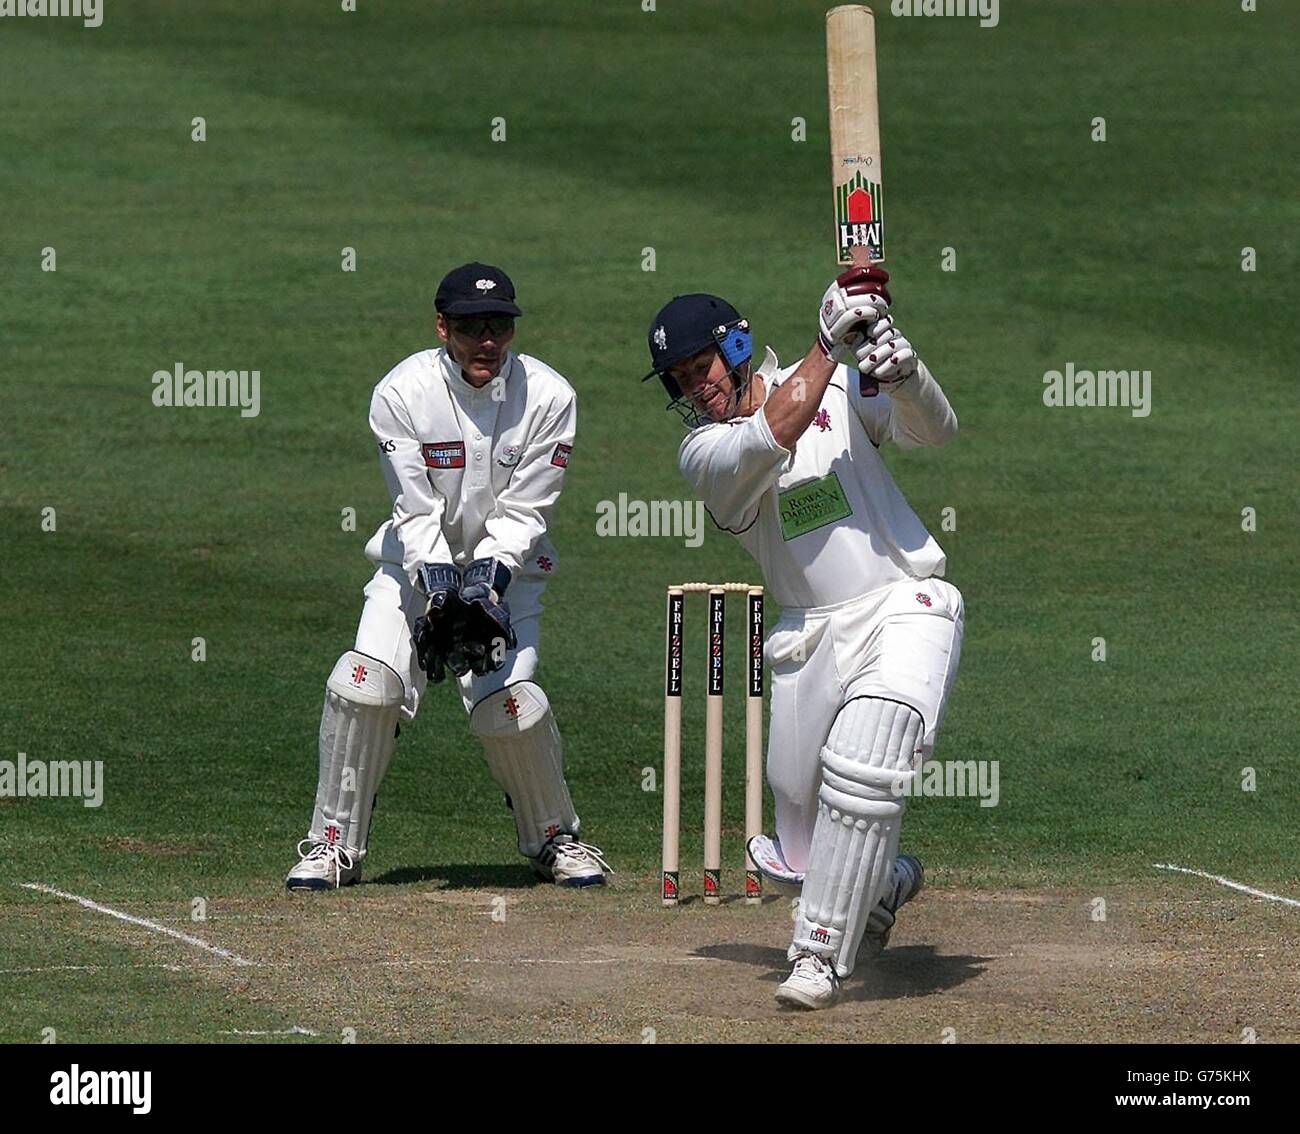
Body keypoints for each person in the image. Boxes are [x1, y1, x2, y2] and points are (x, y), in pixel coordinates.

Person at [642, 267, 962, 1008]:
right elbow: (776, 427)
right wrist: (828, 344)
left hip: (901, 606)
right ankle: (883, 884)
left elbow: (937, 432)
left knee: (865, 764)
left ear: (738, 344)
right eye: (679, 379)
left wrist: (905, 373)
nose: (695, 387)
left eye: (702, 367)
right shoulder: (708, 456)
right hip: (807, 637)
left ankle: (817, 952)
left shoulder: (843, 391)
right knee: (800, 835)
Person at [286, 262, 609, 891]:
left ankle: (553, 838)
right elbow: (415, 508)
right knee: (364, 687)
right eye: (469, 326)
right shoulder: (401, 393)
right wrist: (440, 587)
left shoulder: (550, 396)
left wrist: (486, 581)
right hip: (413, 569)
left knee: (509, 707)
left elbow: (526, 511)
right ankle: (332, 845)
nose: (486, 340)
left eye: (498, 326)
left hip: (511, 575)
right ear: (443, 327)